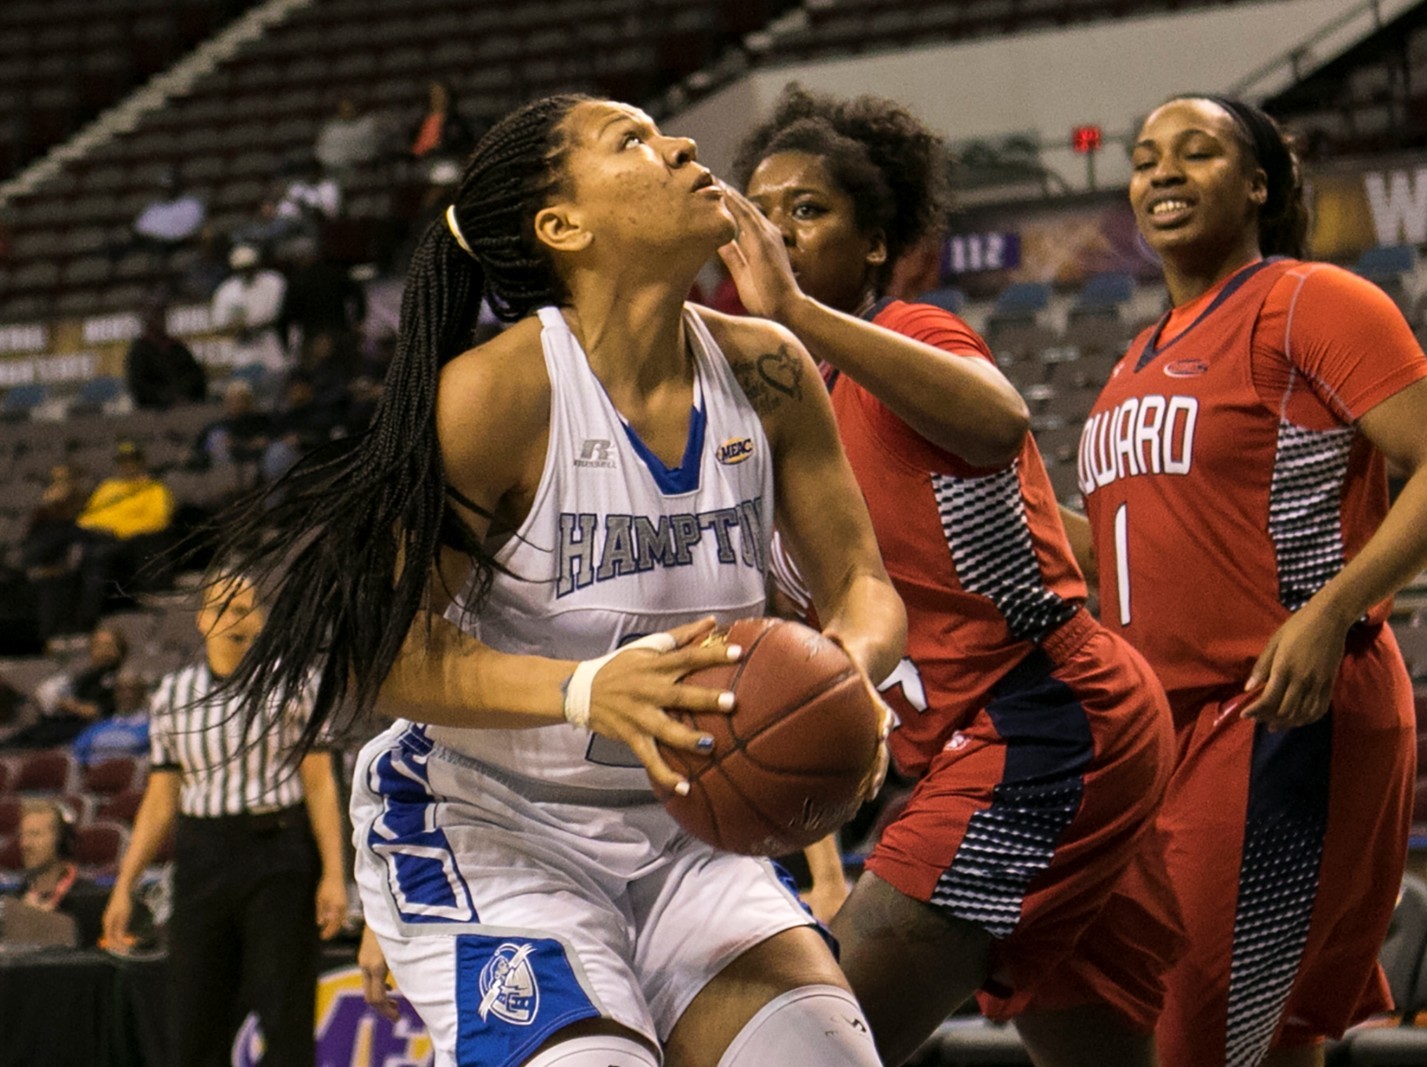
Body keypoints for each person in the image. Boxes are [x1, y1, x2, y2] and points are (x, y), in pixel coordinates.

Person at [212, 94, 906, 1067]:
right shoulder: (498, 394)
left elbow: (861, 585)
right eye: (633, 140)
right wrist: (584, 689)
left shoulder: (769, 370)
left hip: (686, 827)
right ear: (561, 226)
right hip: (497, 822)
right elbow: (385, 647)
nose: (682, 144)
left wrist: (848, 673)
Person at [727, 86, 1183, 1067]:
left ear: (877, 243)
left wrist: (795, 311)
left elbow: (998, 420)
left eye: (806, 212)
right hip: (968, 747)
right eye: (760, 216)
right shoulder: (771, 416)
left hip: (1047, 723)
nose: (778, 235)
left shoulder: (911, 333)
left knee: (807, 1042)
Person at [1065, 95, 1427, 1067]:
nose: (1161, 172)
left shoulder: (1310, 300)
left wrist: (1331, 606)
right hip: (1167, 731)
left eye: (1195, 152)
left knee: (1196, 1041)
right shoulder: (1132, 358)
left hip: (1279, 707)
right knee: (1273, 1041)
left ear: (1257, 184)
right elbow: (1133, 552)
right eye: (1143, 159)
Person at [100, 573, 348, 1067]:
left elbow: (320, 784)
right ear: (201, 620)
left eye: (245, 607)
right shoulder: (173, 693)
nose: (235, 617)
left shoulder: (295, 682)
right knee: (194, 1011)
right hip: (202, 853)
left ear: (260, 617)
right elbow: (160, 796)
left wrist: (336, 875)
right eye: (223, 607)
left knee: (285, 1010)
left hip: (278, 849)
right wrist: (124, 882)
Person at [75, 441, 176, 626]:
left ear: (141, 462)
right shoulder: (108, 487)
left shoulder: (154, 488)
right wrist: (101, 528)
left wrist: (120, 530)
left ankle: (90, 618)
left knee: (99, 558)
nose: (128, 465)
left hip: (132, 542)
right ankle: (86, 619)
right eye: (123, 461)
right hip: (101, 538)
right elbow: (86, 517)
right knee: (87, 555)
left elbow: (158, 521)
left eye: (132, 461)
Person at [8, 625, 126, 748]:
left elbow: (98, 712)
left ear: (120, 650)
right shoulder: (86, 677)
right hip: (59, 722)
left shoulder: (119, 678)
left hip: (91, 728)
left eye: (108, 646)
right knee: (17, 738)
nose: (102, 651)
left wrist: (66, 705)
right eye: (97, 646)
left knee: (34, 743)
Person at [7, 799, 104, 947]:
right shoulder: (14, 900)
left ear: (62, 842)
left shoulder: (90, 899)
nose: (25, 844)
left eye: (35, 834)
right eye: (23, 835)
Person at [20, 463, 89, 643]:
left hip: (68, 574)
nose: (59, 487)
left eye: (64, 481)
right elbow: (29, 554)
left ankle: (52, 639)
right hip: (38, 571)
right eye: (56, 481)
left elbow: (76, 556)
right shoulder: (41, 518)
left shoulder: (80, 516)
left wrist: (58, 570)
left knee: (53, 588)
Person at [210, 244, 288, 372]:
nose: (247, 272)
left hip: (273, 350)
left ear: (257, 265)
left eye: (249, 267)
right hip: (243, 357)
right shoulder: (227, 290)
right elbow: (219, 324)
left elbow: (282, 314)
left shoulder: (274, 282)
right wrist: (236, 328)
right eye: (242, 268)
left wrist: (256, 327)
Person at [124, 302, 207, 410]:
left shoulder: (177, 348)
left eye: (162, 315)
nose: (161, 320)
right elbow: (139, 386)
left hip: (187, 404)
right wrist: (166, 398)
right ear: (147, 321)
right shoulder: (139, 352)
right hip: (155, 411)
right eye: (156, 316)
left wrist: (184, 394)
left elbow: (195, 375)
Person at [315, 95, 384, 177]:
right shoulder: (331, 130)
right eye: (344, 109)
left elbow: (376, 149)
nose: (348, 111)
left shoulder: (368, 124)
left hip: (368, 171)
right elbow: (322, 155)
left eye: (350, 107)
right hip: (341, 173)